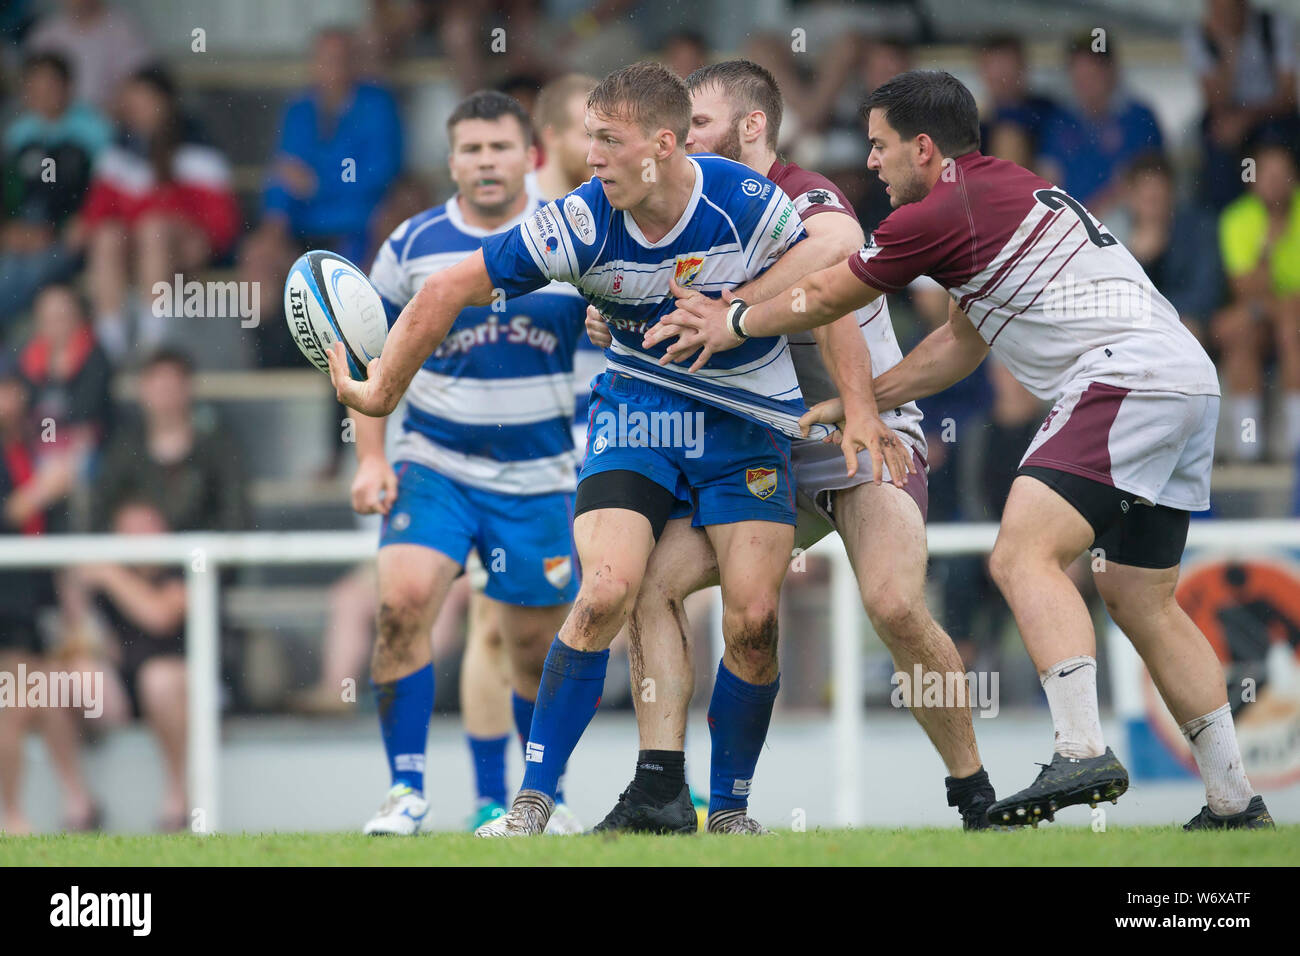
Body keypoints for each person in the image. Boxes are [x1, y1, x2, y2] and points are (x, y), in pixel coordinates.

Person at [658, 69, 1273, 830]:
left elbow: (826, 293)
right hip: (1185, 379)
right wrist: (861, 402)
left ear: (924, 148)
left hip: (1127, 376)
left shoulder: (939, 210)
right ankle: (1235, 802)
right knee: (1141, 598)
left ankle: (1080, 746)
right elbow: (960, 343)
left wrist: (735, 320)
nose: (872, 163)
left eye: (881, 148)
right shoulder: (1000, 193)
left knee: (1021, 554)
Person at [326, 62, 906, 837]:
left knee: (755, 619)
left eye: (608, 140)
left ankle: (729, 811)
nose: (588, 156)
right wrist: (381, 392)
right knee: (603, 592)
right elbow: (442, 291)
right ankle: (532, 805)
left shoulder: (743, 202)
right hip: (637, 416)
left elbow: (831, 290)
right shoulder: (575, 220)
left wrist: (861, 409)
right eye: (588, 137)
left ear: (662, 146)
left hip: (748, 423)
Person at [584, 59, 998, 833]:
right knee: (649, 584)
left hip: (856, 428)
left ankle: (975, 794)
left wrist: (863, 411)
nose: (684, 141)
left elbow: (829, 297)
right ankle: (665, 794)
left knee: (895, 604)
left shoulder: (805, 197)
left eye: (699, 124)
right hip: (759, 444)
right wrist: (612, 312)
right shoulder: (687, 208)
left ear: (751, 128)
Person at [351, 90, 590, 836]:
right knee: (401, 603)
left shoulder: (572, 238)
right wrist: (370, 460)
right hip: (437, 461)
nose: (487, 162)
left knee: (530, 645)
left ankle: (533, 801)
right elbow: (364, 355)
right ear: (451, 160)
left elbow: (612, 340)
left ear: (532, 155)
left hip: (541, 473)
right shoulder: (410, 245)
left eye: (501, 147)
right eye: (472, 149)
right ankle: (405, 791)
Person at [0, 358, 98, 834]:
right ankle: (11, 813)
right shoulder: (34, 466)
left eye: (11, 390)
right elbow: (13, 514)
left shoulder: (30, 451)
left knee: (49, 694)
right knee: (14, 705)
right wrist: (45, 489)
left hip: (31, 606)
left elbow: (55, 541)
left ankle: (76, 801)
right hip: (6, 610)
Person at [81, 67, 240, 360]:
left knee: (153, 228)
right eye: (132, 104)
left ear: (165, 102)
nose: (136, 111)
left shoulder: (197, 144)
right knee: (107, 236)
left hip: (185, 248)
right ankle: (110, 343)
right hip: (137, 248)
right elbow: (96, 216)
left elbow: (222, 222)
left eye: (143, 102)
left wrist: (200, 240)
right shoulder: (120, 148)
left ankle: (153, 338)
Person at [64, 499, 188, 831]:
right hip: (122, 695)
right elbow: (81, 638)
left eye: (144, 527)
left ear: (163, 530)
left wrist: (110, 574)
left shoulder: (184, 564)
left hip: (186, 694)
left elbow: (161, 617)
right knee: (61, 678)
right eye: (128, 530)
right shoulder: (106, 584)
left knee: (158, 679)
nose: (136, 538)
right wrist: (76, 586)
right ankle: (81, 802)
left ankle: (179, 800)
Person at [252, 28, 403, 270]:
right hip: (304, 222)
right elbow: (286, 172)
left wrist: (318, 185)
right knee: (260, 251)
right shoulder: (299, 109)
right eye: (323, 59)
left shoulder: (377, 104)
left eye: (340, 59)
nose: (331, 68)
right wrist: (275, 218)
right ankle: (268, 309)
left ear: (355, 62)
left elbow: (382, 174)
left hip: (361, 222)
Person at [1, 51, 111, 317]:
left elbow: (107, 188)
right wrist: (9, 230)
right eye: (34, 88)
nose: (43, 94)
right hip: (25, 233)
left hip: (69, 234)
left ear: (68, 87)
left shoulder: (95, 132)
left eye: (50, 86)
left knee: (29, 271)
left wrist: (74, 225)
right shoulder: (17, 135)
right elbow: (10, 194)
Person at [92, 347, 249, 533]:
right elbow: (98, 511)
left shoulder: (216, 448)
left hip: (198, 558)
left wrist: (171, 537)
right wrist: (126, 524)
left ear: (187, 389)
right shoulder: (125, 448)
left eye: (172, 387)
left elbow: (235, 516)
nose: (165, 397)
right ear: (143, 390)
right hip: (130, 557)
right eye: (158, 387)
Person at [1213, 140, 1300, 461]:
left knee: (1291, 325)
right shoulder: (1236, 219)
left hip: (1291, 319)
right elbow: (1245, 290)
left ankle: (1295, 446)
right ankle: (1249, 448)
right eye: (1267, 173)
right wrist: (1268, 246)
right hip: (1261, 317)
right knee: (1240, 337)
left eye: (1282, 173)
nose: (1275, 181)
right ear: (1252, 178)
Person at [1184, 0, 1299, 210]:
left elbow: (1288, 96)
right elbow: (1216, 101)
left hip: (1272, 116)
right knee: (1218, 144)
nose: (1225, 13)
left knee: (1277, 145)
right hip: (1230, 117)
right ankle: (1227, 215)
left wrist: (1246, 119)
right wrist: (1229, 49)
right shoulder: (1201, 35)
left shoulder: (1272, 26)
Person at [1037, 34, 1163, 217]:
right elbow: (1047, 179)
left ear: (1111, 71)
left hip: (1122, 227)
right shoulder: (1059, 121)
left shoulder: (1139, 119)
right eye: (1079, 74)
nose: (1085, 82)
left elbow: (1144, 183)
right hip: (1067, 228)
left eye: (1092, 73)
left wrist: (1090, 218)